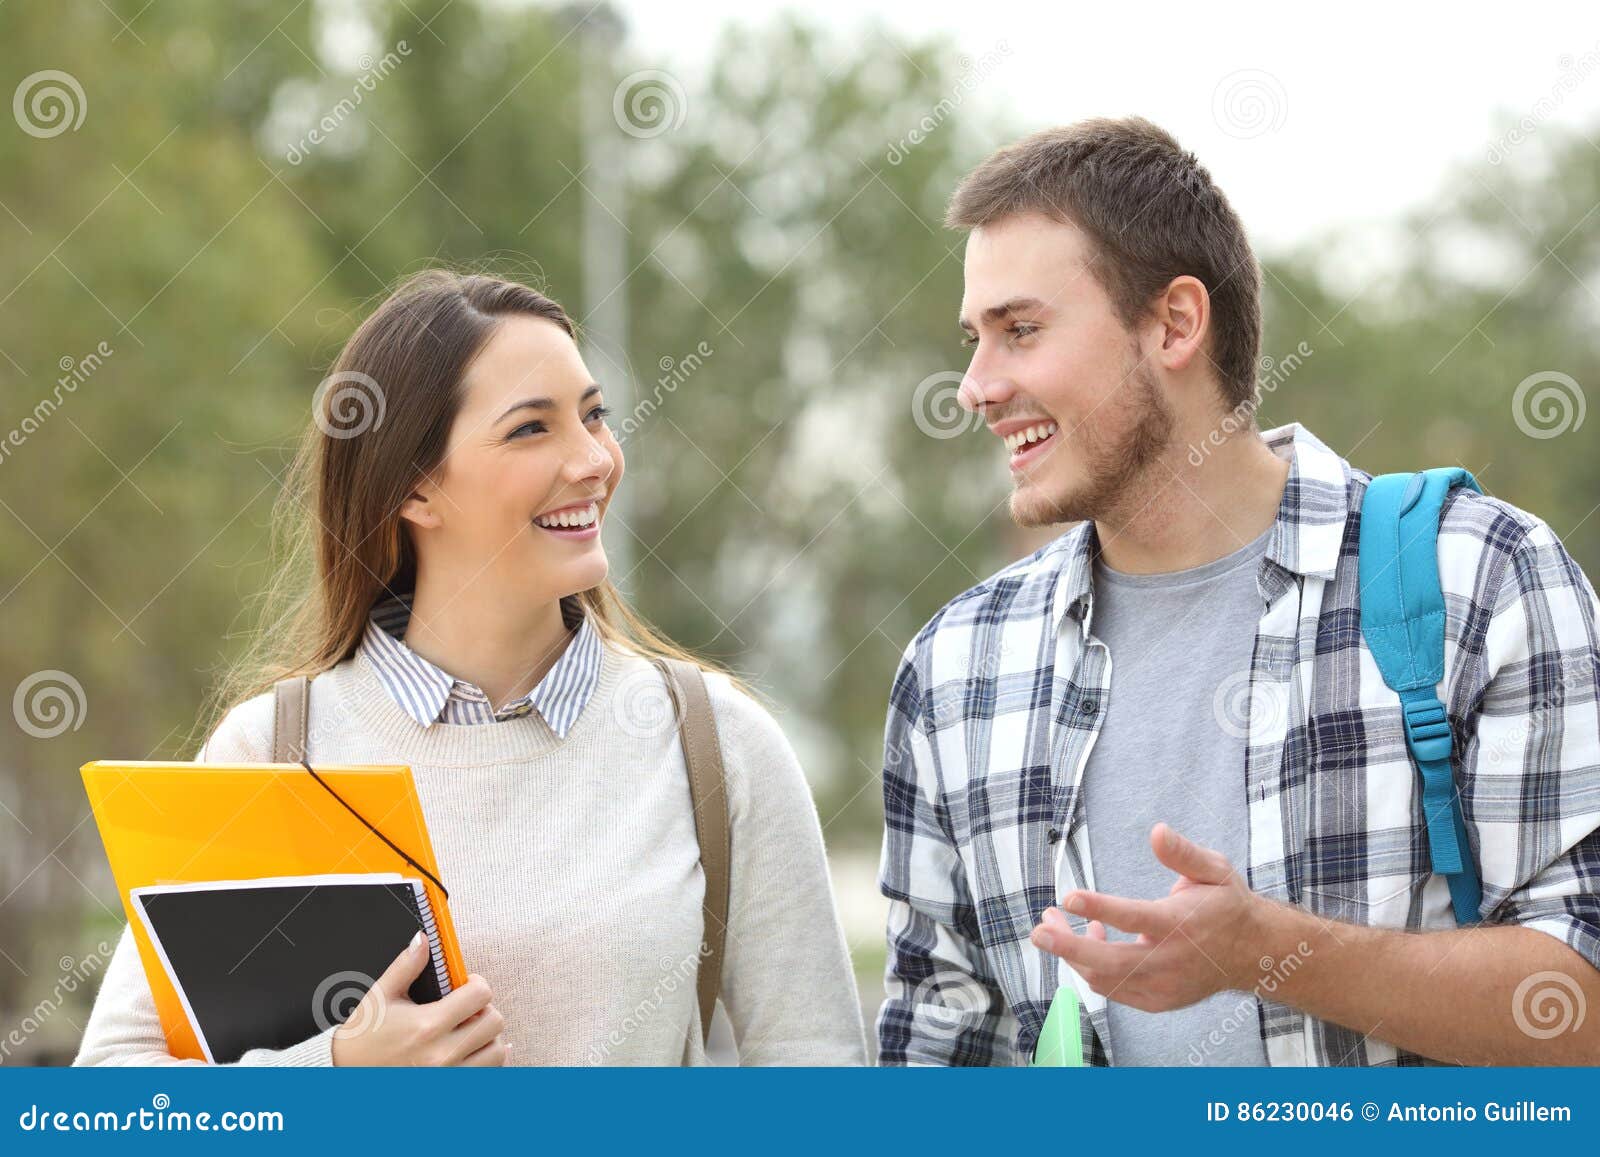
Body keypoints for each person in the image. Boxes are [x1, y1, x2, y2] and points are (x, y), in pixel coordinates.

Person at [876, 117, 1600, 1066]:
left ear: (1175, 324)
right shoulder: (955, 666)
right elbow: (938, 1053)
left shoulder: (1483, 577)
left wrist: (1269, 953)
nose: (974, 387)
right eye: (975, 340)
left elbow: (1581, 1001)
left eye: (1020, 331)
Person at [76, 269, 866, 1067]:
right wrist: (337, 1073)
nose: (594, 459)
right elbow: (114, 1095)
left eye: (594, 415)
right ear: (415, 488)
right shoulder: (271, 752)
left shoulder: (716, 745)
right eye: (532, 428)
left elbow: (820, 1079)